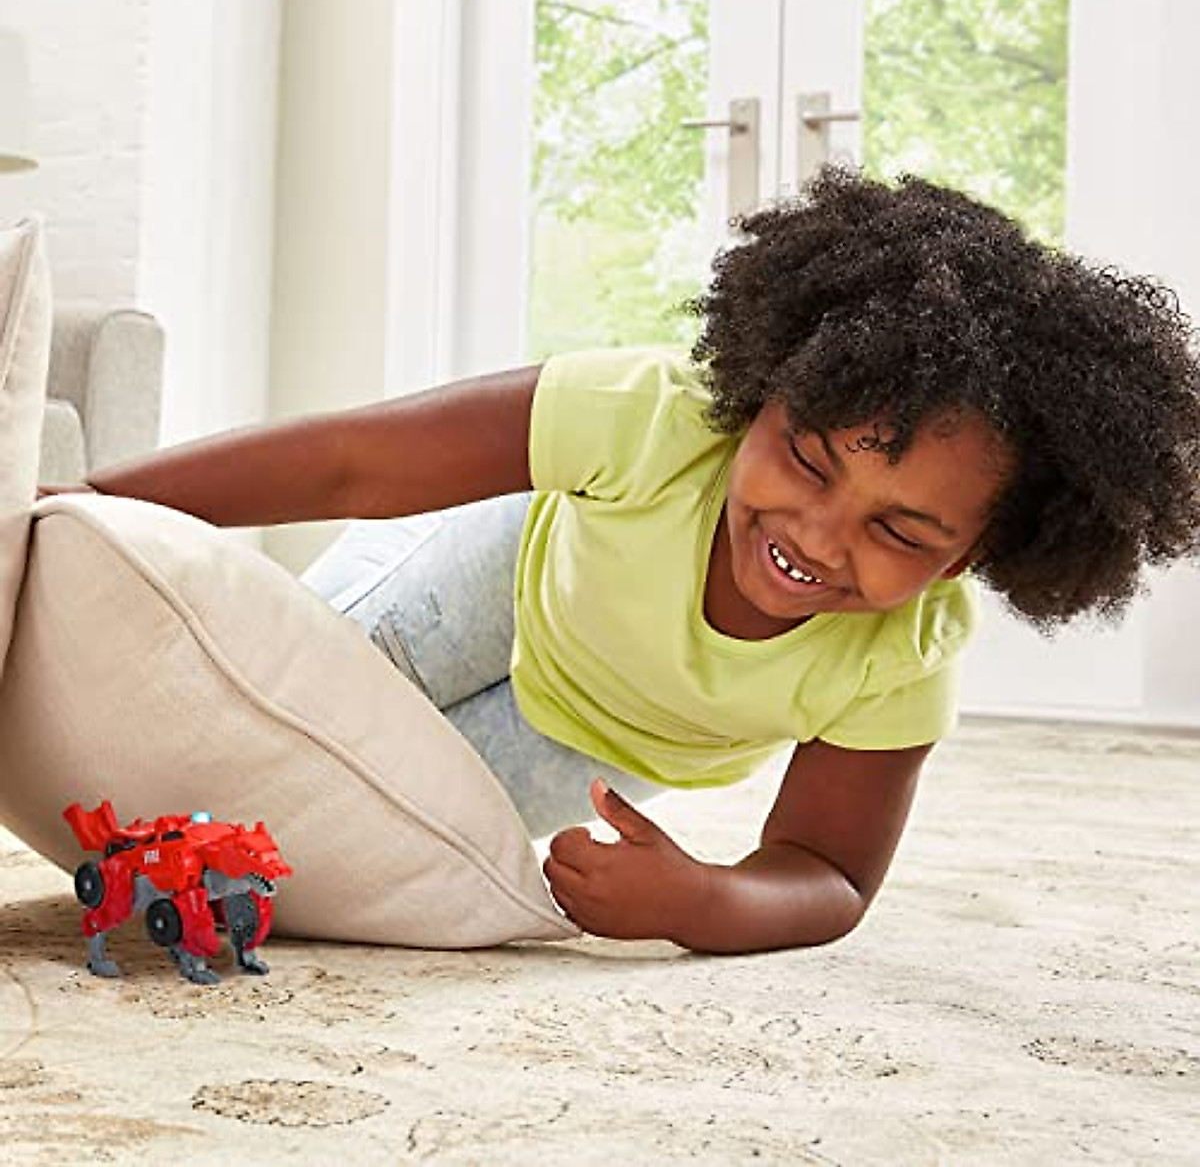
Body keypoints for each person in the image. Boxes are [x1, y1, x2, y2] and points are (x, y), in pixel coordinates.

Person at [42, 167, 1200, 955]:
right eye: (804, 460)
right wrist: (90, 500)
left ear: (970, 557)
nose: (818, 536)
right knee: (276, 697)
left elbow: (830, 872)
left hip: (583, 745)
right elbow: (353, 463)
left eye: (900, 533)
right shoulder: (654, 415)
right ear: (760, 394)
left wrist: (703, 899)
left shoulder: (902, 657)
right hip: (500, 583)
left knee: (334, 848)